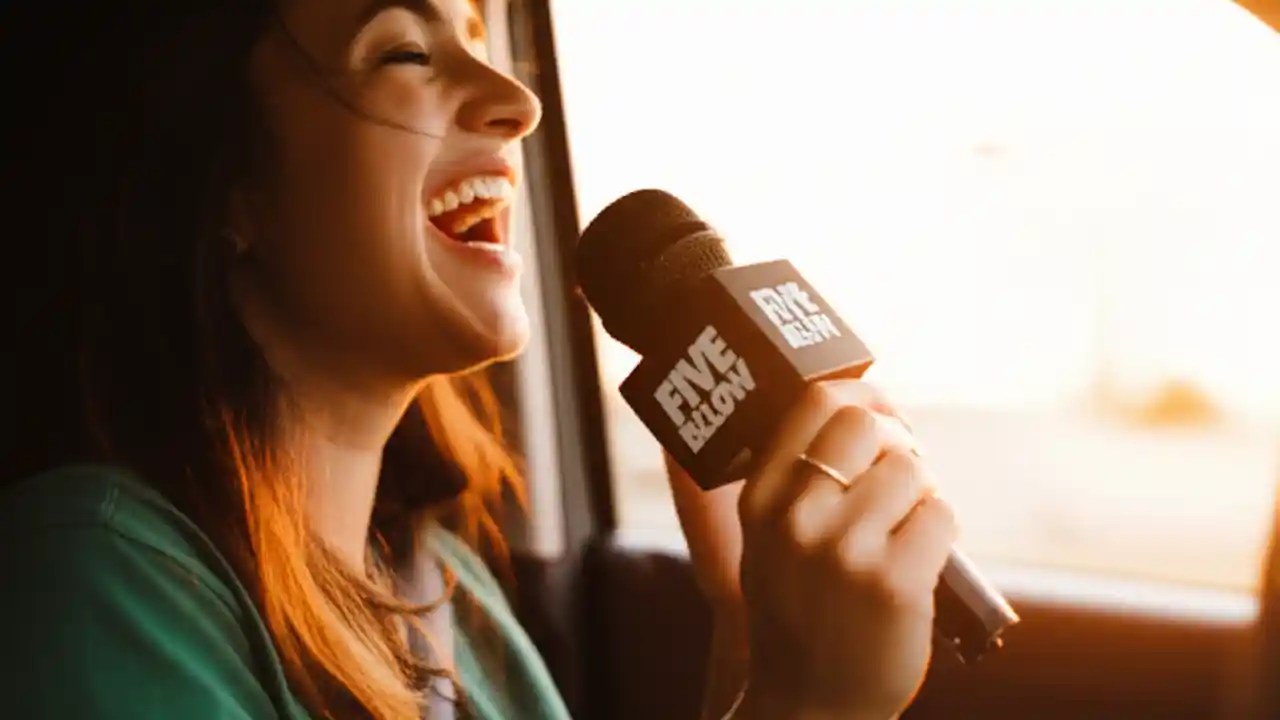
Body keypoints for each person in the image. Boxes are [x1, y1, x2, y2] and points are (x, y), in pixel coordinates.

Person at [3, 1, 958, 719]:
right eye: (408, 52)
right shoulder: (91, 582)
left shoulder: (450, 590)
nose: (518, 101)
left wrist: (755, 634)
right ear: (227, 186)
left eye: (480, 38)